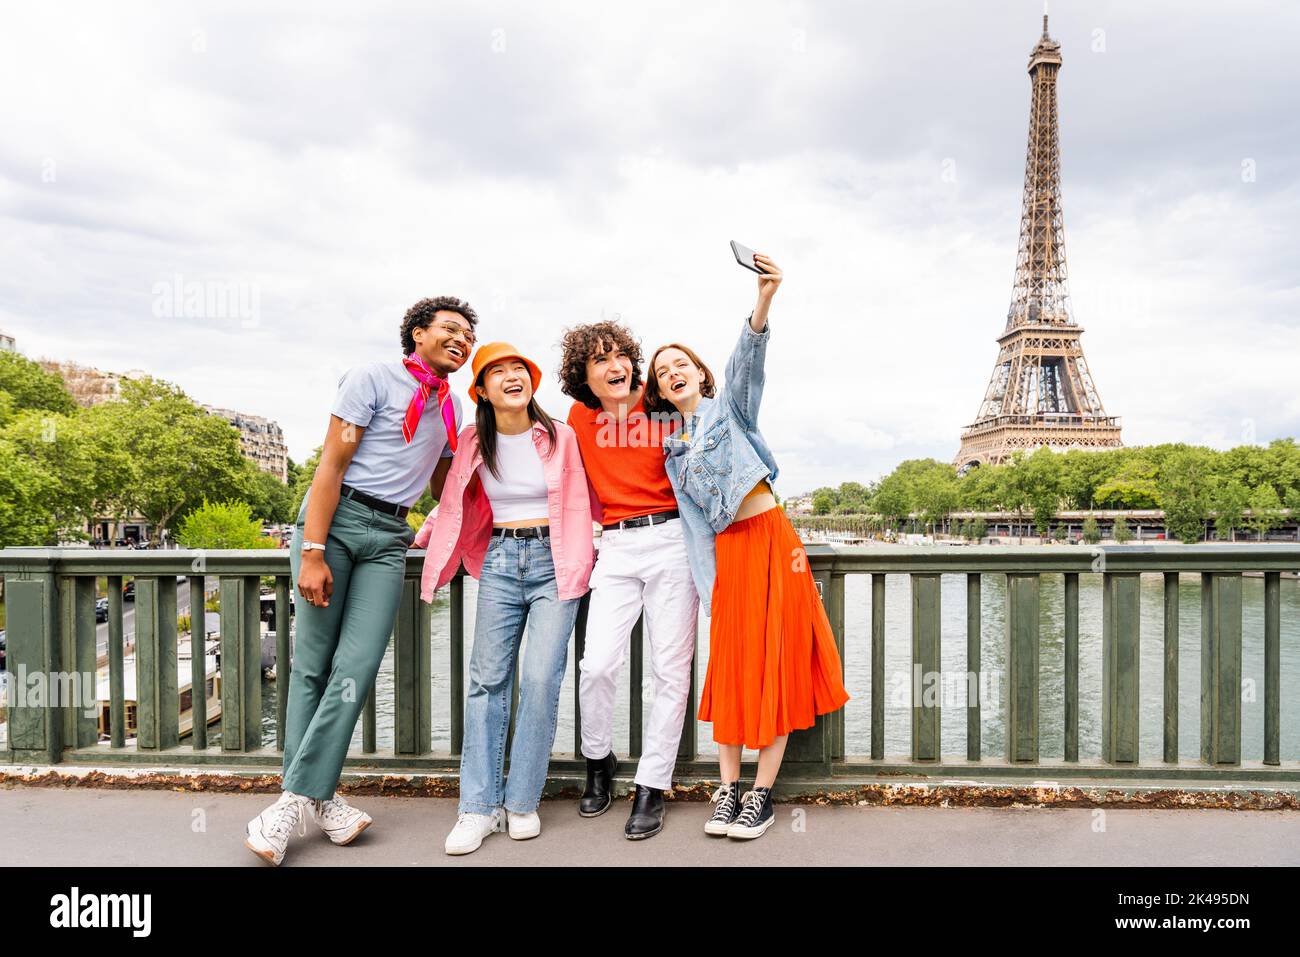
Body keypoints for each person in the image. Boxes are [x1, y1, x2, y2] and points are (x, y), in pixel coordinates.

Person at [244, 296, 474, 866]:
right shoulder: (372, 379)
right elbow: (331, 466)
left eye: (468, 335)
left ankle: (296, 800)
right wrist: (313, 551)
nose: (461, 341)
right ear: (417, 334)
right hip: (337, 521)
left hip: (390, 536)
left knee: (359, 664)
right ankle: (315, 799)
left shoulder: (454, 411)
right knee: (314, 664)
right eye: (450, 329)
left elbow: (451, 484)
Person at [643, 253, 850, 840]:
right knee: (733, 667)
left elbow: (748, 363)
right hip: (731, 554)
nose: (673, 373)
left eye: (681, 363)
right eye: (663, 371)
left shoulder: (729, 408)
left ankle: (761, 794)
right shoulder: (672, 449)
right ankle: (727, 789)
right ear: (659, 390)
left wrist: (763, 300)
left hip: (772, 540)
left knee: (775, 664)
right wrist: (710, 591)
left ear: (701, 374)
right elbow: (694, 528)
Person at [413, 343, 594, 855]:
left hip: (555, 562)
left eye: (520, 369)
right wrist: (425, 536)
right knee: (486, 682)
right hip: (497, 562)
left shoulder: (562, 437)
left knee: (540, 680)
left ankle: (520, 802)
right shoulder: (472, 440)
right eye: (499, 373)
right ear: (482, 391)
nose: (512, 377)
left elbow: (592, 497)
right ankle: (477, 807)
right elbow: (454, 501)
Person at [558, 320, 699, 840]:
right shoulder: (577, 417)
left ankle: (651, 785)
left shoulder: (659, 402)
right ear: (583, 376)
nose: (615, 366)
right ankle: (598, 761)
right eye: (600, 360)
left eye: (620, 355)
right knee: (596, 665)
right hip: (614, 546)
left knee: (669, 669)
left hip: (671, 542)